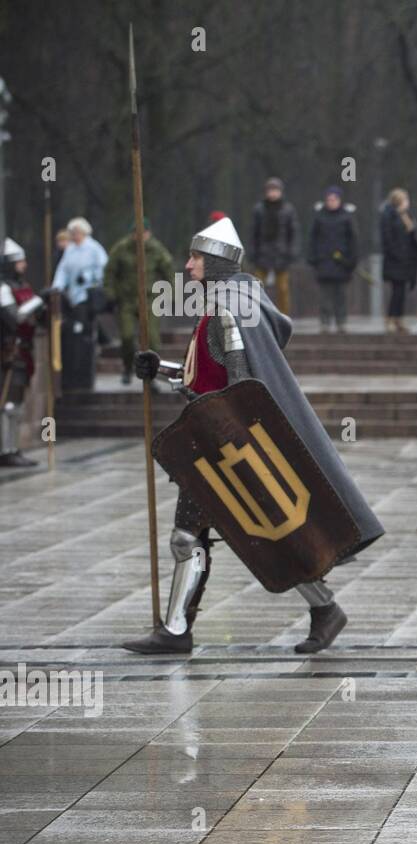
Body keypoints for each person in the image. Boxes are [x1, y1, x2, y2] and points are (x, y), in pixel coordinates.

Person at [126, 217, 383, 655]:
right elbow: (205, 378)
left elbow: (241, 391)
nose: (187, 267)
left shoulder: (229, 310)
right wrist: (162, 370)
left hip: (230, 446)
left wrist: (231, 439)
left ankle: (320, 610)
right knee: (205, 535)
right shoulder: (224, 303)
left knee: (269, 531)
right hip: (213, 443)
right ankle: (178, 629)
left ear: (216, 263)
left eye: (195, 258)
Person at [104, 218, 174, 384]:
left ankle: (152, 375)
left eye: (144, 233)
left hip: (150, 300)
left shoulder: (157, 250)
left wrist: (169, 295)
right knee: (127, 337)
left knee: (152, 339)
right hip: (127, 300)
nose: (140, 236)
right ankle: (128, 368)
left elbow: (169, 273)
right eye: (137, 233)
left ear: (149, 233)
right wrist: (110, 294)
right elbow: (109, 272)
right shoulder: (121, 249)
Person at [1, 239, 46, 467]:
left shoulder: (23, 287)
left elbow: (33, 320)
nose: (24, 265)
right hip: (8, 352)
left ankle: (13, 448)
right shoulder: (3, 289)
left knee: (16, 406)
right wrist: (38, 301)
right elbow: (14, 318)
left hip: (23, 351)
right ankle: (5, 451)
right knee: (7, 405)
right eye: (19, 261)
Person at [50, 217, 108, 391]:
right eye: (72, 233)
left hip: (88, 294)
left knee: (84, 326)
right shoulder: (70, 250)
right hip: (73, 295)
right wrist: (57, 287)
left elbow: (103, 268)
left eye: (76, 233)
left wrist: (90, 277)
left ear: (83, 232)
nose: (74, 236)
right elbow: (63, 270)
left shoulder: (94, 248)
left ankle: (90, 350)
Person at [307, 186, 358, 333]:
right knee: (324, 296)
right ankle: (325, 322)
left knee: (340, 295)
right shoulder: (319, 217)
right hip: (323, 262)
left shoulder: (347, 217)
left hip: (341, 263)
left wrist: (351, 260)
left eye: (334, 199)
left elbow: (353, 240)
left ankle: (341, 322)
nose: (331, 202)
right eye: (329, 199)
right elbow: (313, 239)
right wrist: (313, 258)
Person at [250, 177, 299, 313]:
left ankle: (284, 316)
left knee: (283, 289)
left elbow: (293, 232)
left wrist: (291, 251)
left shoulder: (288, 210)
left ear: (281, 192)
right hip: (263, 254)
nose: (273, 193)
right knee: (257, 287)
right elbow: (254, 233)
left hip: (281, 254)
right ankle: (256, 315)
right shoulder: (259, 210)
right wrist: (253, 252)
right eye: (270, 190)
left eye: (275, 190)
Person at [381, 188, 417, 334]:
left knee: (402, 291)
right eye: (405, 200)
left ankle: (399, 319)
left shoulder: (407, 215)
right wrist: (398, 255)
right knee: (396, 291)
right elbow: (388, 239)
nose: (408, 202)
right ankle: (391, 318)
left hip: (407, 261)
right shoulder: (388, 216)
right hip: (395, 261)